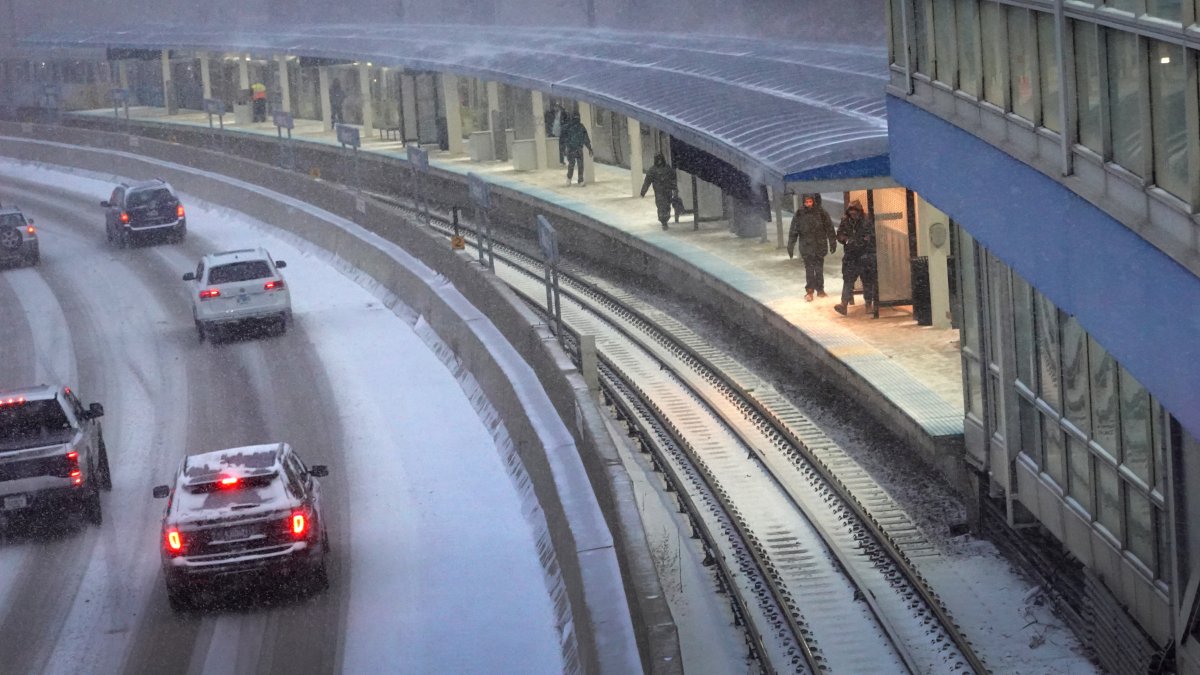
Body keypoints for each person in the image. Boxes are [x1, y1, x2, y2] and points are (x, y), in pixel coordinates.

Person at [787, 193, 837, 301]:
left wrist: (833, 242)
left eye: (810, 202)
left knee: (819, 269)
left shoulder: (821, 213)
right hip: (807, 245)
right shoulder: (800, 213)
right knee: (809, 269)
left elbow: (829, 228)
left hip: (819, 244)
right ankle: (810, 290)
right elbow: (793, 231)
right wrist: (790, 245)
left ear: (814, 201)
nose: (808, 204)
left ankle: (820, 289)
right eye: (807, 202)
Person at [833, 200, 877, 315]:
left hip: (864, 255)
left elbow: (871, 235)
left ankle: (868, 304)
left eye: (855, 211)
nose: (853, 214)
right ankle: (844, 304)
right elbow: (839, 234)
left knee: (867, 281)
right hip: (851, 255)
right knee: (848, 281)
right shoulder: (845, 220)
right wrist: (846, 240)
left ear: (859, 211)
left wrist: (863, 241)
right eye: (851, 212)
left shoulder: (866, 220)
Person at [640, 153, 681, 230]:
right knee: (662, 206)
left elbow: (647, 182)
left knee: (665, 206)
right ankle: (664, 221)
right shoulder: (660, 169)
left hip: (665, 192)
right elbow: (647, 182)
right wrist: (643, 192)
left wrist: (643, 192)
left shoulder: (655, 170)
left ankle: (664, 220)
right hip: (661, 192)